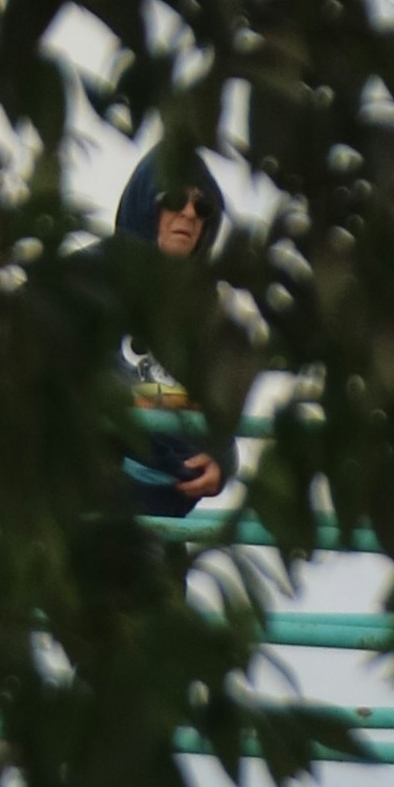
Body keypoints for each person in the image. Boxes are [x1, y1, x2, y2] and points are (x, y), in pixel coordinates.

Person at [116, 142, 235, 515]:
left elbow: (223, 416)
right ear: (146, 202)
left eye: (202, 207)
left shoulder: (209, 314)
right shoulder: (89, 279)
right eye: (174, 198)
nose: (188, 213)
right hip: (88, 527)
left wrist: (224, 462)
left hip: (165, 533)